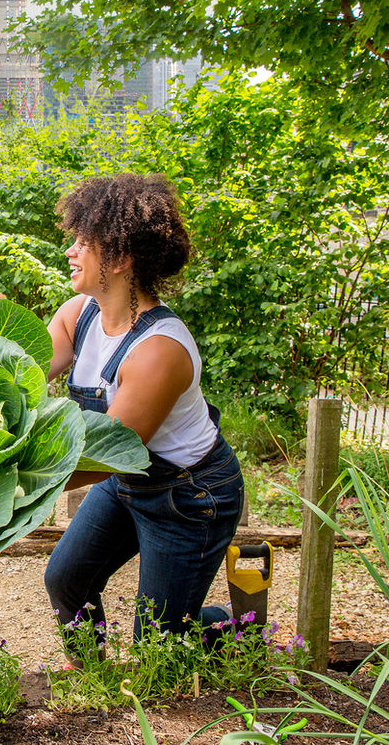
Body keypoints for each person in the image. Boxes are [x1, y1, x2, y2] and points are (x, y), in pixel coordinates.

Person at [43, 173, 244, 653]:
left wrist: (17, 489)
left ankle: (235, 625)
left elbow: (106, 456)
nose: (70, 252)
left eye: (82, 242)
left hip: (189, 496)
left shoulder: (159, 351)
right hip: (127, 483)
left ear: (121, 257)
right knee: (66, 579)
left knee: (158, 647)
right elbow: (23, 378)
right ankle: (90, 674)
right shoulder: (79, 314)